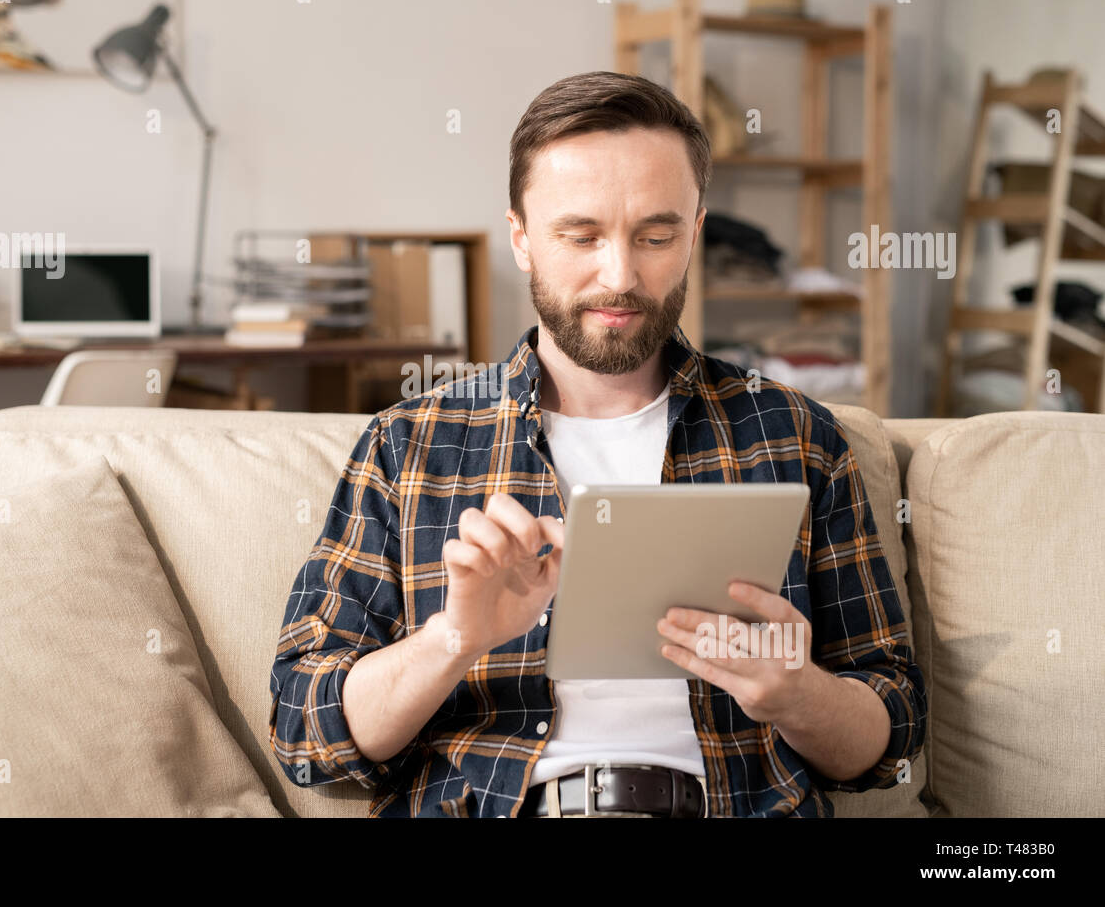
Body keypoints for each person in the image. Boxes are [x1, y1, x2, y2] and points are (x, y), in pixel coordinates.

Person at [269, 70, 925, 818]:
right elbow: (301, 732)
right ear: (520, 237)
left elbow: (892, 731)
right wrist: (453, 638)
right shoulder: (411, 444)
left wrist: (800, 694)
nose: (620, 276)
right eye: (580, 235)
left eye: (656, 235)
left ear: (696, 231)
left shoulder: (793, 435)